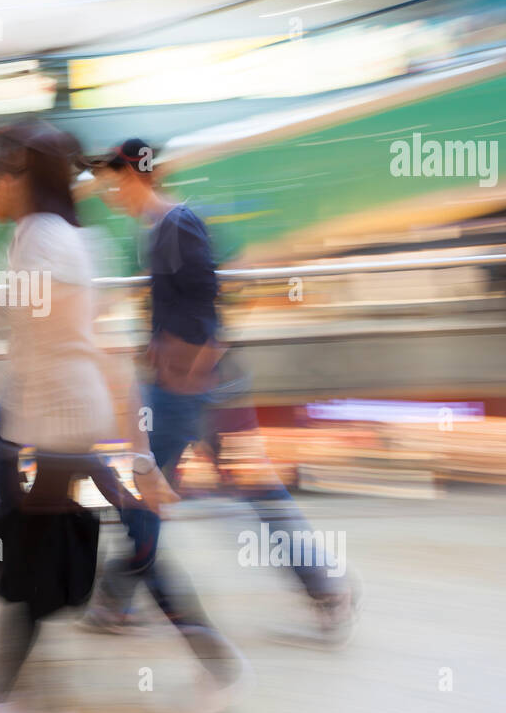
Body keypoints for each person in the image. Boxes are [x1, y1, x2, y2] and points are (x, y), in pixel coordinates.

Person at [0, 122, 251, 713]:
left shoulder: (43, 237)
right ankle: (20, 692)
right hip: (57, 420)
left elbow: (78, 335)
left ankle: (2, 697)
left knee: (38, 560)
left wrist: (140, 452)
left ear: (21, 178)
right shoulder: (61, 236)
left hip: (57, 421)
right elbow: (64, 324)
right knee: (75, 551)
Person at [87, 138, 360, 646]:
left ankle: (114, 600)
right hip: (198, 382)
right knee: (243, 487)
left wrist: (188, 373)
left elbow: (207, 306)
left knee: (149, 488)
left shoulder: (175, 224)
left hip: (189, 387)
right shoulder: (160, 226)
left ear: (133, 176)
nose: (105, 193)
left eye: (109, 181)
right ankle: (325, 589)